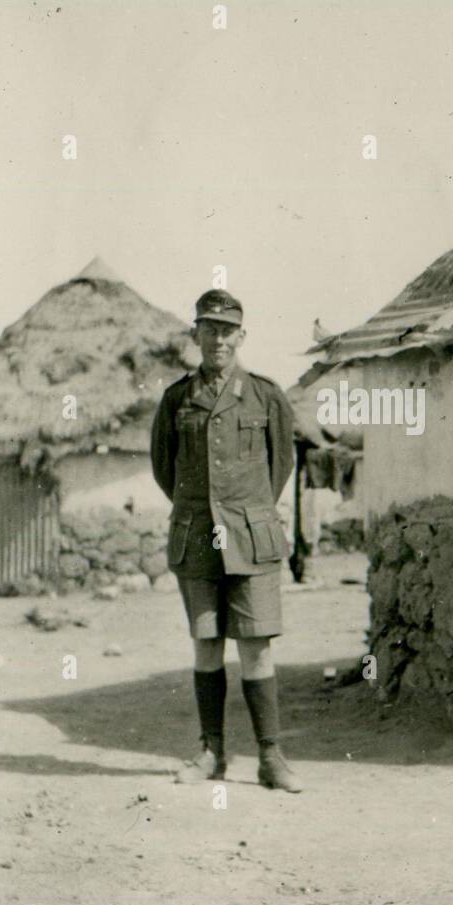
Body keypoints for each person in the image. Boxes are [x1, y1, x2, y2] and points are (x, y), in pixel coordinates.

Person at [150, 288, 301, 791]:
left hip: (251, 538)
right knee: (207, 643)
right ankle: (211, 753)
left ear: (242, 335)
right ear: (195, 334)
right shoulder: (176, 399)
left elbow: (280, 467)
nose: (218, 339)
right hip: (197, 538)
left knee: (256, 647)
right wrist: (205, 510)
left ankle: (270, 758)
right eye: (208, 328)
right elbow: (164, 469)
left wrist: (244, 513)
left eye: (227, 330)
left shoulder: (265, 394)